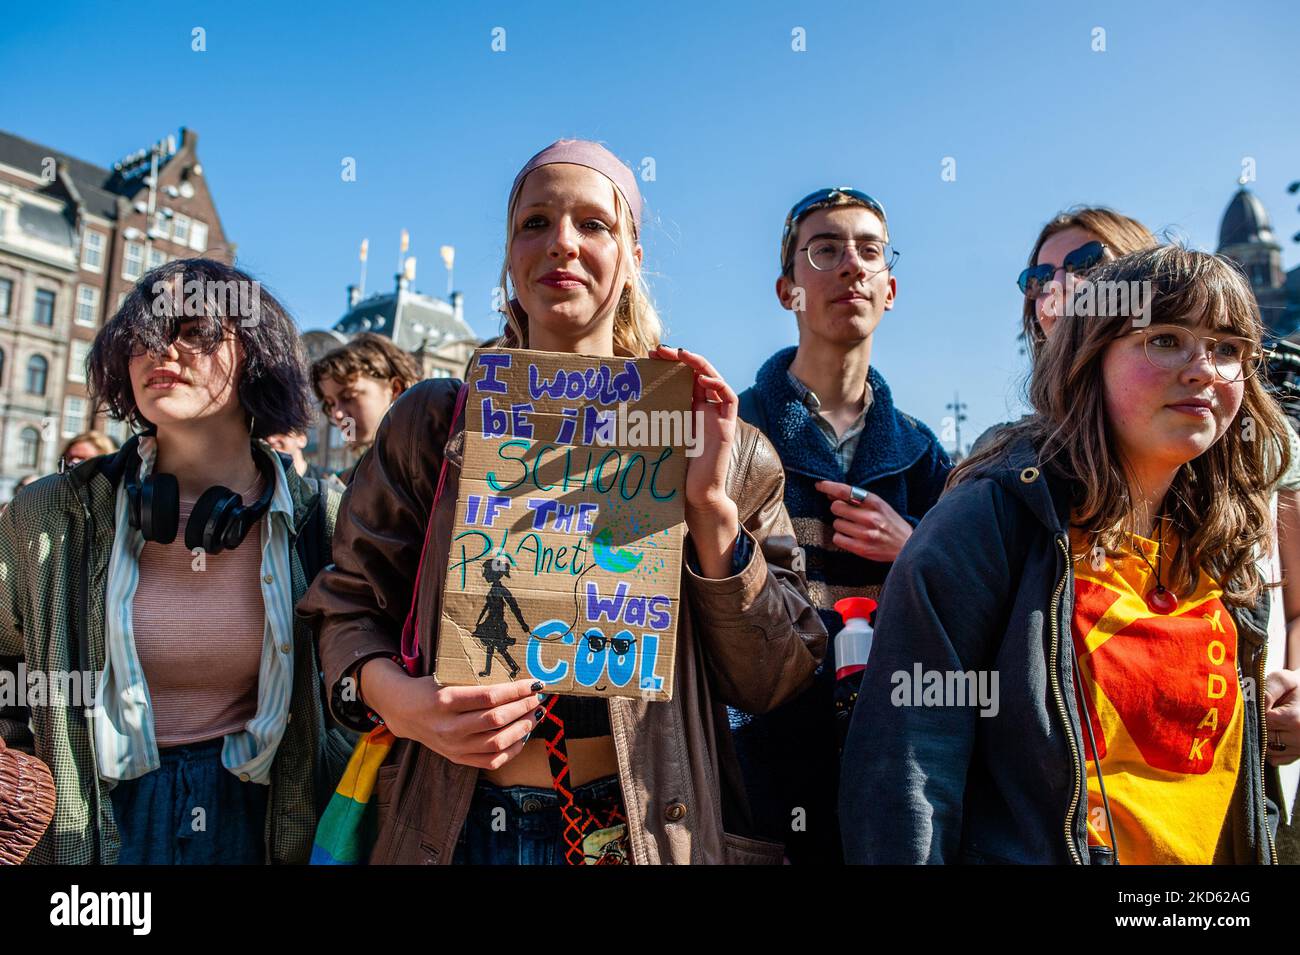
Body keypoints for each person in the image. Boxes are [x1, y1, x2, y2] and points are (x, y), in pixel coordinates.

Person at [298, 139, 826, 865]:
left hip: (642, 833)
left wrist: (710, 514)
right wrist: (401, 703)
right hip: (457, 830)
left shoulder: (723, 445)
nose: (562, 243)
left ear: (633, 256)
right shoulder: (434, 423)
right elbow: (347, 605)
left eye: (593, 224)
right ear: (510, 257)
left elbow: (776, 676)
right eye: (535, 223)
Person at [841, 245, 1300, 864]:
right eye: (1165, 339)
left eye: (1227, 348)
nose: (1203, 370)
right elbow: (907, 769)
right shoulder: (990, 519)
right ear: (1089, 359)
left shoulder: (1229, 540)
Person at [0, 257, 348, 864]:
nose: (160, 349)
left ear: (258, 357)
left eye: (194, 332)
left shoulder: (324, 516)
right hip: (92, 818)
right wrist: (21, 760)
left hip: (266, 816)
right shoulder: (49, 512)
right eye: (141, 336)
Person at [731, 187, 951, 863]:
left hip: (897, 774)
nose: (851, 265)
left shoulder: (926, 455)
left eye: (869, 250)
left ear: (891, 289)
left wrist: (913, 548)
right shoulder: (731, 431)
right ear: (787, 290)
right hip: (758, 775)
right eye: (824, 250)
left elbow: (978, 618)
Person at [310, 332, 422, 483]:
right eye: (331, 404)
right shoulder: (353, 477)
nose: (337, 414)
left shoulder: (425, 462)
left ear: (395, 389)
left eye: (348, 396)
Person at [266, 429, 343, 487]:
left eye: (280, 431)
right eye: (265, 434)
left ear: (301, 440)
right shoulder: (264, 482)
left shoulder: (328, 479)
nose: (270, 439)